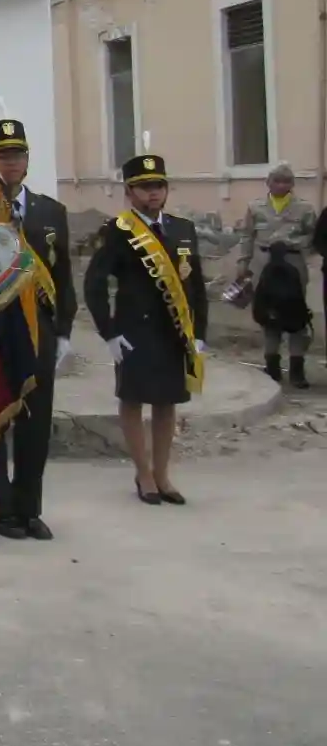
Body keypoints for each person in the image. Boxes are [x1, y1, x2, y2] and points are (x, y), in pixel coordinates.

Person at [83, 153, 209, 506]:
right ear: (129, 191)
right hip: (134, 331)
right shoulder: (117, 231)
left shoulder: (183, 229)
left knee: (168, 401)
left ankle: (164, 473)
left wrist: (199, 333)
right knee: (134, 399)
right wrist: (108, 331)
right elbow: (94, 284)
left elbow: (196, 286)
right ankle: (143, 473)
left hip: (174, 331)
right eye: (144, 188)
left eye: (158, 186)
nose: (152, 193)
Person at [0, 119, 77, 540]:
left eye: (17, 155)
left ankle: (30, 508)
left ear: (27, 160)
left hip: (38, 328)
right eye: (3, 156)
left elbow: (63, 277)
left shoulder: (50, 211)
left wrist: (63, 331)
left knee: (36, 420)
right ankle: (1, 508)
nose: (11, 163)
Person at [235, 162, 316, 388]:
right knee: (268, 313)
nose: (281, 185)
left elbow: (313, 236)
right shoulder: (256, 207)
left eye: (287, 181)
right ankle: (272, 366)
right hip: (264, 262)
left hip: (292, 263)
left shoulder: (305, 208)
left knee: (296, 314)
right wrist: (244, 263)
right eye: (277, 181)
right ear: (268, 183)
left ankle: (297, 368)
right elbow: (247, 236)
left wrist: (296, 245)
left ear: (292, 184)